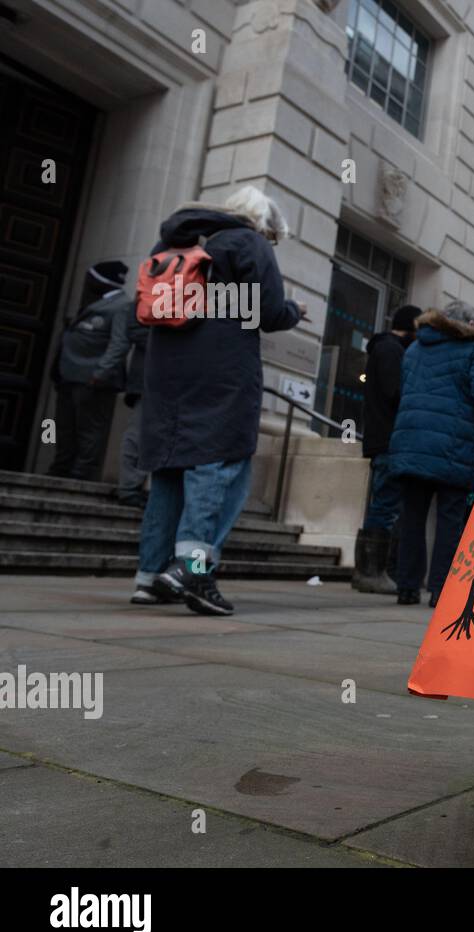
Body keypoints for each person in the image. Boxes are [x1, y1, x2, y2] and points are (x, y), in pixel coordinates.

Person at [131, 186, 304, 614]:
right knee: (220, 461)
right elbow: (266, 310)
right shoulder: (247, 242)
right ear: (263, 223)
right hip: (222, 370)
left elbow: (154, 305)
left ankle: (151, 577)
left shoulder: (171, 243)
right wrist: (294, 311)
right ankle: (192, 569)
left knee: (169, 470)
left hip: (167, 369)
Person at [389, 302, 474, 607]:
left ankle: (407, 587)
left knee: (412, 518)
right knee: (450, 520)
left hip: (412, 440)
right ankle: (440, 590)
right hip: (454, 443)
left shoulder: (414, 349)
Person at [352, 303, 421, 594]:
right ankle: (370, 572)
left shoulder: (386, 348)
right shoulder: (391, 350)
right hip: (389, 439)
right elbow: (396, 392)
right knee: (385, 504)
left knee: (385, 502)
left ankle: (373, 571)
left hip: (385, 438)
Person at [49, 261, 134, 482]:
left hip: (93, 379)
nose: (87, 281)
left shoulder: (121, 306)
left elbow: (120, 343)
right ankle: (61, 466)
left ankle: (82, 474)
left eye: (91, 277)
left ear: (101, 280)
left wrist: (100, 372)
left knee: (90, 431)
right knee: (62, 426)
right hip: (69, 375)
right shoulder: (94, 302)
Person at [114, 310, 152, 508]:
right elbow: (135, 328)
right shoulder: (154, 289)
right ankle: (129, 487)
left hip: (166, 379)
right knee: (139, 434)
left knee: (147, 435)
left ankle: (135, 485)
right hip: (150, 378)